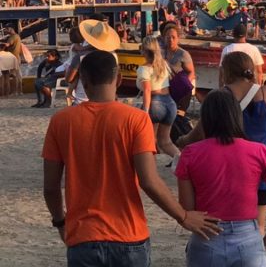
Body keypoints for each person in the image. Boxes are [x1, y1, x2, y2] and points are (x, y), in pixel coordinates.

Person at [43, 51, 221, 266]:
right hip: (128, 234)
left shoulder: (61, 121)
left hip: (83, 236)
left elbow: (51, 187)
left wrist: (60, 222)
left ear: (83, 80)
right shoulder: (136, 120)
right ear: (118, 79)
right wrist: (182, 216)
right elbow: (149, 181)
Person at [175, 89, 266, 266]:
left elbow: (187, 209)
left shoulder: (190, 153)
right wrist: (265, 242)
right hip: (248, 240)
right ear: (237, 116)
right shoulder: (259, 151)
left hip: (207, 236)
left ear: (205, 118)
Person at [179, 51, 266, 233]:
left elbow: (199, 134)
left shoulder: (220, 97)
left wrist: (181, 140)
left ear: (226, 72)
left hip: (229, 166)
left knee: (224, 220)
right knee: (257, 224)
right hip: (262, 166)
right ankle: (258, 251)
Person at [136, 35, 180, 161]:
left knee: (150, 140)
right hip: (170, 103)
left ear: (144, 50)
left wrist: (145, 111)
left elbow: (147, 90)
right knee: (166, 142)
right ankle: (183, 162)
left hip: (155, 103)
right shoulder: (164, 64)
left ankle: (151, 167)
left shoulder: (144, 69)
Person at [68, 19, 122, 105]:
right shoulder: (114, 56)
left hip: (82, 100)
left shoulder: (80, 56)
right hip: (108, 101)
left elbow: (69, 78)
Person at [162, 23, 196, 112]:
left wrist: (182, 88)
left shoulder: (183, 54)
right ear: (164, 38)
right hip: (165, 89)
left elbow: (191, 72)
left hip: (180, 92)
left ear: (178, 39)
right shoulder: (161, 53)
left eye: (173, 37)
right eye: (168, 37)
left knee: (179, 117)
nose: (170, 40)